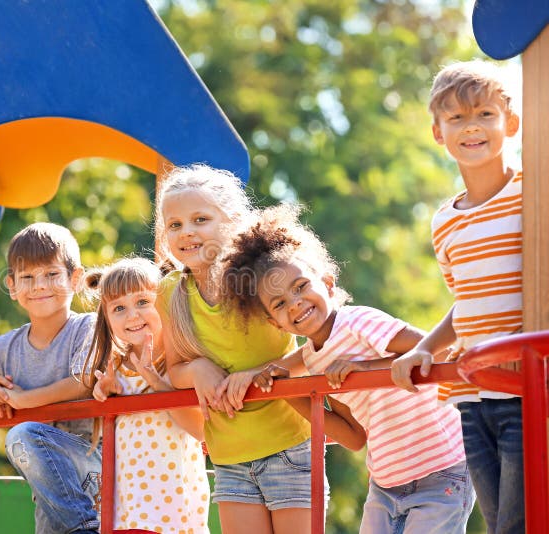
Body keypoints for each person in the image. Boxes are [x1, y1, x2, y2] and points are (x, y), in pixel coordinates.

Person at [220, 204, 474, 534]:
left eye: (300, 287)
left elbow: (435, 350)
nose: (295, 303)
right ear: (274, 322)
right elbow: (353, 437)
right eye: (280, 303)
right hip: (386, 482)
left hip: (442, 467)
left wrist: (365, 368)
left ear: (327, 283)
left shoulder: (359, 322)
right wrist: (287, 393)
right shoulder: (314, 359)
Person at [390, 59, 524, 533]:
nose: (472, 127)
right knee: (495, 522)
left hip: (525, 385)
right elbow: (467, 301)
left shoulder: (533, 194)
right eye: (457, 118)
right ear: (437, 133)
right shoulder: (444, 221)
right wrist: (426, 347)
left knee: (520, 522)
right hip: (472, 392)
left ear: (510, 122)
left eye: (484, 114)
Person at [155, 164, 323, 534]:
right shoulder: (170, 293)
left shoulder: (259, 278)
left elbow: (319, 342)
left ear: (233, 221)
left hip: (289, 448)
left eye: (200, 219)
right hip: (229, 457)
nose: (187, 232)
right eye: (175, 224)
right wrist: (196, 368)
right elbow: (173, 369)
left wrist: (260, 374)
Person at [0, 222, 100, 534]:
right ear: (12, 285)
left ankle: (86, 527)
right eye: (27, 277)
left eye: (51, 274)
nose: (39, 285)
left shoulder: (88, 328)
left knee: (22, 436)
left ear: (75, 279)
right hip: (50, 491)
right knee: (24, 439)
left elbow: (84, 381)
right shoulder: (7, 348)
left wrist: (22, 400)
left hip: (93, 462)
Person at [81, 257, 210, 534]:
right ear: (106, 317)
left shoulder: (181, 364)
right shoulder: (115, 367)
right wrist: (104, 394)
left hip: (169, 506)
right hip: (124, 508)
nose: (132, 315)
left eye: (142, 302)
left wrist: (156, 382)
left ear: (164, 302)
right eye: (119, 308)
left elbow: (201, 430)